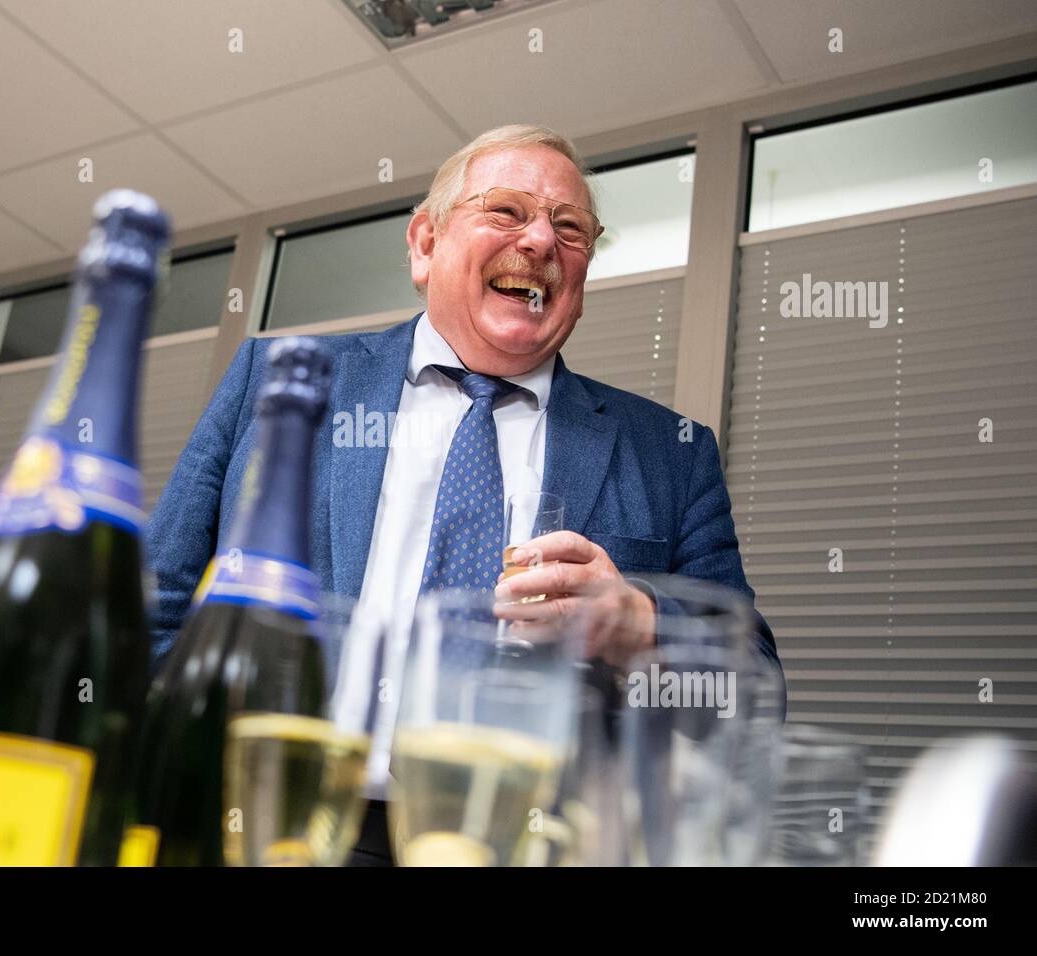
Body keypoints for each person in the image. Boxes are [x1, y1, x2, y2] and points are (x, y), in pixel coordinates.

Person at [145, 124, 782, 864]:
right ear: (424, 245)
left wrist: (639, 624)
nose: (542, 240)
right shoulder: (277, 383)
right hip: (264, 827)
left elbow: (753, 692)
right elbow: (156, 614)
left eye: (571, 228)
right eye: (507, 212)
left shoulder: (668, 452)